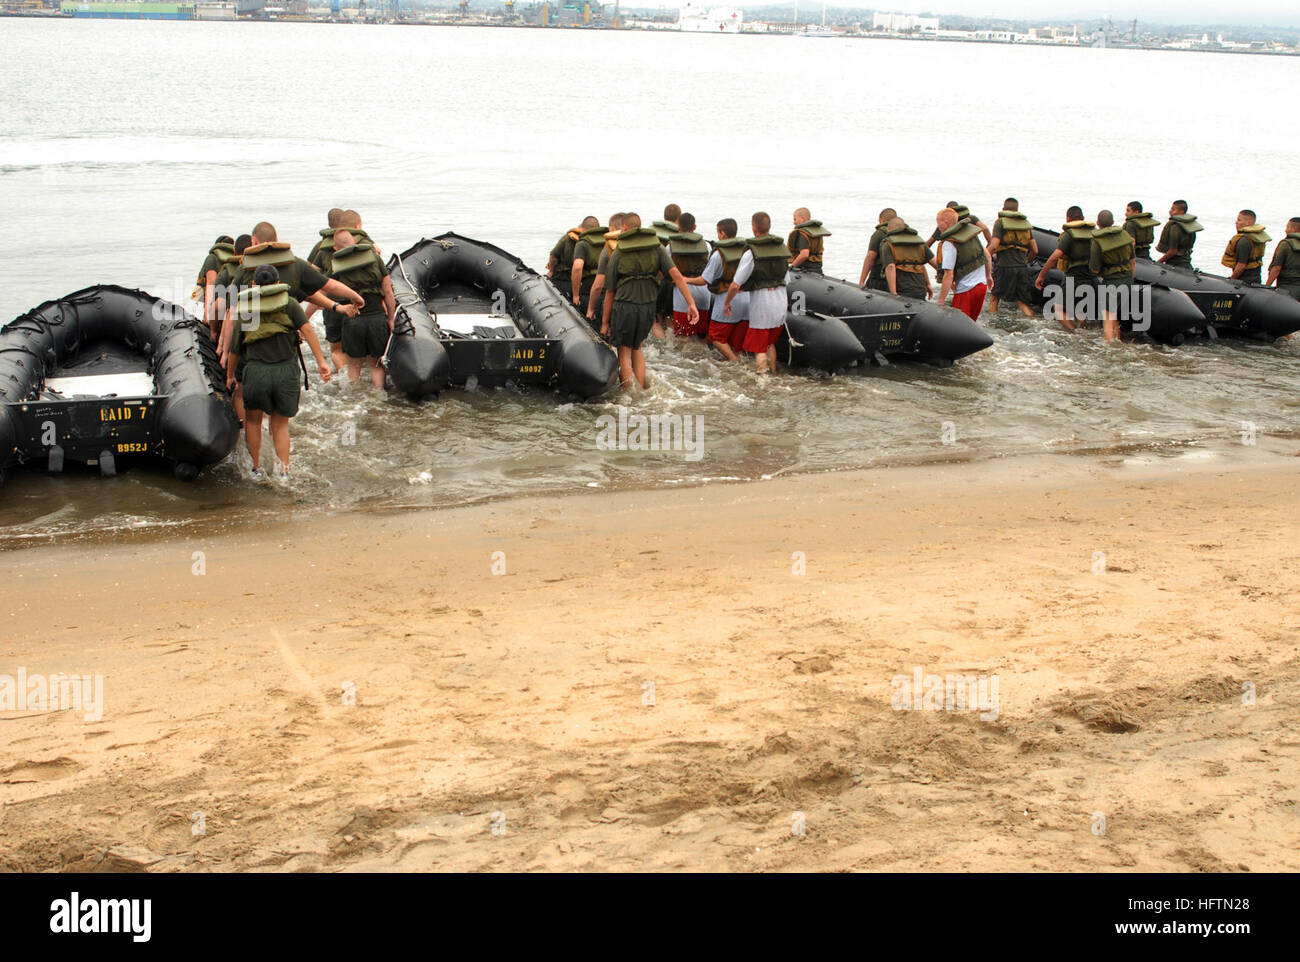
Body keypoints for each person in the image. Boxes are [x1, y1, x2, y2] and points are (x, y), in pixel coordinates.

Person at [222, 222, 361, 417]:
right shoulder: (294, 265)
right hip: (285, 352)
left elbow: (231, 316)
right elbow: (326, 286)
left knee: (247, 404)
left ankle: (245, 428)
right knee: (281, 417)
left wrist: (224, 351)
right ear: (277, 240)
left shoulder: (244, 270)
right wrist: (352, 298)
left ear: (253, 242)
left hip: (251, 352)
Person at [226, 265, 331, 479]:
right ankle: (284, 470)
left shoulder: (247, 308)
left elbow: (235, 350)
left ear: (253, 284)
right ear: (277, 284)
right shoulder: (289, 304)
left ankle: (256, 469)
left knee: (253, 422)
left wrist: (230, 376)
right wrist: (321, 362)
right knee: (281, 424)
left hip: (256, 372)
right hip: (286, 371)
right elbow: (307, 330)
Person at [600, 212, 698, 388]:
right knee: (637, 348)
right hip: (647, 308)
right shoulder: (657, 248)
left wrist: (605, 322)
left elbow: (610, 292)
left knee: (624, 353)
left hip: (625, 308)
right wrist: (691, 303)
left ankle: (629, 394)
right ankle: (640, 390)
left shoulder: (619, 251)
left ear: (624, 228)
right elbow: (676, 275)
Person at [319, 228, 396, 388]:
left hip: (353, 320)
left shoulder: (336, 265)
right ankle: (379, 394)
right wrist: (391, 318)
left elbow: (325, 288)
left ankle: (354, 398)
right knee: (376, 364)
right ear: (354, 241)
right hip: (377, 319)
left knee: (354, 365)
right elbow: (388, 291)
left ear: (335, 248)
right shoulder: (374, 258)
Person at [724, 211, 789, 374]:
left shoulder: (751, 253)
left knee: (759, 349)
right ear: (769, 226)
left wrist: (727, 302)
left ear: (754, 228)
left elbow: (735, 285)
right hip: (781, 302)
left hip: (762, 305)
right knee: (769, 343)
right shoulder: (782, 250)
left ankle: (762, 381)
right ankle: (772, 373)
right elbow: (787, 280)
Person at [690, 218, 749, 362]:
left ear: (723, 234)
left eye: (718, 232)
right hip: (747, 300)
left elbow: (704, 280)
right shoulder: (746, 252)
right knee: (737, 343)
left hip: (727, 300)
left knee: (715, 337)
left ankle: (735, 363)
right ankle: (741, 363)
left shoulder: (718, 255)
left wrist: (685, 279)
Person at [1034, 206, 1096, 331]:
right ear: (1083, 218)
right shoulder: (1093, 233)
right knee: (1080, 310)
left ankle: (1074, 332)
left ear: (1068, 218)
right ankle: (1083, 332)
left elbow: (1054, 258)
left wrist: (1041, 275)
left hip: (1073, 277)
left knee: (1058, 309)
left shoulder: (1069, 235)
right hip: (1090, 276)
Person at [934, 208, 992, 321]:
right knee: (971, 323)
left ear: (946, 223)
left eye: (938, 223)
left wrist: (940, 301)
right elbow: (988, 256)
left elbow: (949, 274)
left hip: (966, 290)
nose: (938, 226)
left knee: (957, 324)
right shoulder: (970, 234)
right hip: (982, 286)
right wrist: (988, 276)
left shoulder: (949, 243)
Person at [1089, 209, 1136, 342]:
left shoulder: (1097, 241)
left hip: (1112, 282)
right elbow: (1133, 262)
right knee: (1115, 315)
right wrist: (1130, 280)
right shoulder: (1125, 236)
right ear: (1113, 222)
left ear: (1098, 223)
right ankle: (1118, 340)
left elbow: (1095, 269)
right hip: (1127, 280)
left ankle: (1110, 348)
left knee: (1108, 320)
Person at [986, 198, 1038, 316]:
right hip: (1022, 268)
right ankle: (1031, 319)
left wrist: (984, 257)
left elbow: (994, 246)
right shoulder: (1025, 224)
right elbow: (1035, 250)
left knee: (994, 298)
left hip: (1004, 267)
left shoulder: (1000, 223)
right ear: (1017, 210)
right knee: (1022, 303)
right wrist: (1026, 261)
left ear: (1004, 209)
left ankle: (991, 322)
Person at [668, 213, 712, 337]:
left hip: (682, 294)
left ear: (678, 228)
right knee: (702, 335)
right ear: (695, 227)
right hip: (704, 292)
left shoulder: (670, 247)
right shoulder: (707, 246)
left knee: (683, 336)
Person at [213, 234, 252, 353]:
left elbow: (219, 306)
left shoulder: (226, 272)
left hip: (231, 330)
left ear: (234, 252)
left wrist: (212, 332)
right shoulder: (262, 270)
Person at [586, 212, 625, 325]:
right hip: (642, 303)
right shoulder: (643, 247)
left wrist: (590, 309)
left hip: (615, 302)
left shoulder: (608, 250)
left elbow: (598, 285)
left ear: (611, 229)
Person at [879, 218, 932, 300]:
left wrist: (893, 293)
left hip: (902, 289)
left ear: (890, 229)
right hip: (920, 288)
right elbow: (923, 264)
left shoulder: (888, 244)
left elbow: (890, 267)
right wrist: (928, 284)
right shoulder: (919, 243)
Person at [196, 235, 235, 338]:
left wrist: (207, 315)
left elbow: (211, 283)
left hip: (216, 306)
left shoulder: (212, 258)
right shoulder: (236, 259)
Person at [1221, 210, 1271, 284]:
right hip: (1256, 279)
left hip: (1244, 281)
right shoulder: (1256, 238)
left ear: (1248, 223)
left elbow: (1241, 265)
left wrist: (1231, 280)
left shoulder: (1244, 241)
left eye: (1239, 220)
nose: (1236, 222)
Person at [569, 216, 605, 316]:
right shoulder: (608, 242)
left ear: (582, 229)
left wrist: (575, 295)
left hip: (589, 287)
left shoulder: (582, 244)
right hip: (607, 287)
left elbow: (577, 267)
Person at [1156, 200, 1202, 269]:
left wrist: (1159, 262)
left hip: (1175, 263)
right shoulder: (1190, 226)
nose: (1170, 211)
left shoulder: (1175, 227)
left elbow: (1173, 251)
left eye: (1173, 209)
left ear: (1181, 212)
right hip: (1186, 262)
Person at [859, 207, 896, 289]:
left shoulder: (879, 233)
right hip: (899, 280)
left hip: (879, 278)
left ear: (882, 220)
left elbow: (871, 256)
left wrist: (861, 281)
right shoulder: (903, 234)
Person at [547, 222, 583, 302]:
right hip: (580, 280)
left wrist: (551, 271)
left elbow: (553, 255)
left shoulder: (566, 238)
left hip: (562, 277)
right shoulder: (589, 241)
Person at [1265, 217, 1300, 301]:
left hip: (1287, 286)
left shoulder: (1285, 244)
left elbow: (1276, 268)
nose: (1285, 230)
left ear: (1294, 229)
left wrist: (1266, 287)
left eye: (1288, 227)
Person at [787, 208, 830, 274]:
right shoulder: (815, 232)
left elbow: (804, 254)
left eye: (795, 219)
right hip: (817, 268)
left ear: (802, 219)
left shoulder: (802, 234)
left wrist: (792, 267)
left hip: (805, 269)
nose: (794, 222)